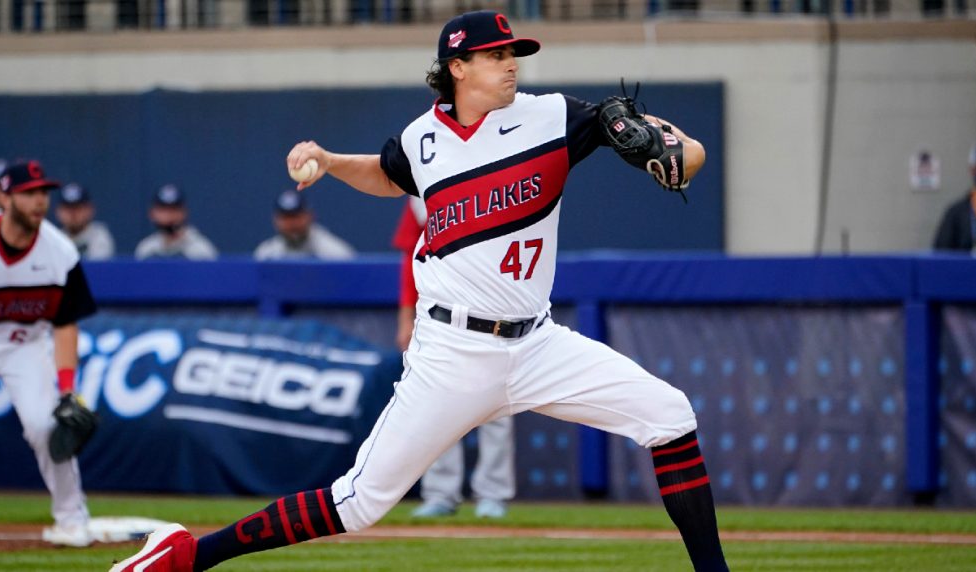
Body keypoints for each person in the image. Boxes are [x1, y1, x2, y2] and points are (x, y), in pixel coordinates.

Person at [112, 10, 728, 572]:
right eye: (495, 54)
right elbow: (388, 175)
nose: (511, 62)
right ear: (457, 67)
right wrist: (328, 160)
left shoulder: (553, 116)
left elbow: (688, 155)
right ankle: (187, 556)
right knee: (357, 503)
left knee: (669, 415)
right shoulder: (421, 139)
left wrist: (664, 143)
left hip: (538, 345)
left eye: (514, 52)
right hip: (451, 352)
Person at [0, 160, 98, 547]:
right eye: (29, 193)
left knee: (47, 425)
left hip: (24, 345)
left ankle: (72, 520)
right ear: (6, 196)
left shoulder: (60, 252)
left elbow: (65, 324)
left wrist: (67, 391)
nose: (39, 201)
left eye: (43, 193)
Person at [392, 196, 515, 519]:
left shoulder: (503, 177)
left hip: (494, 306)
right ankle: (441, 493)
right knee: (437, 406)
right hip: (442, 313)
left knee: (498, 406)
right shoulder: (423, 188)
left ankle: (493, 494)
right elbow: (411, 255)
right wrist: (406, 317)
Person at [253, 189, 356, 260]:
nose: (292, 223)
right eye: (286, 218)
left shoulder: (335, 254)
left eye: (296, 216)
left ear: (310, 216)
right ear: (276, 220)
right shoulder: (266, 254)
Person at [134, 184, 218, 260]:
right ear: (152, 213)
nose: (169, 216)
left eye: (174, 210)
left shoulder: (201, 250)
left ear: (184, 213)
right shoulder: (146, 249)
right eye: (163, 210)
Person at [55, 183, 116, 260]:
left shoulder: (99, 235)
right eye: (68, 208)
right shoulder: (54, 239)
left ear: (90, 210)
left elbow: (97, 269)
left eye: (78, 208)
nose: (73, 214)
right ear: (58, 212)